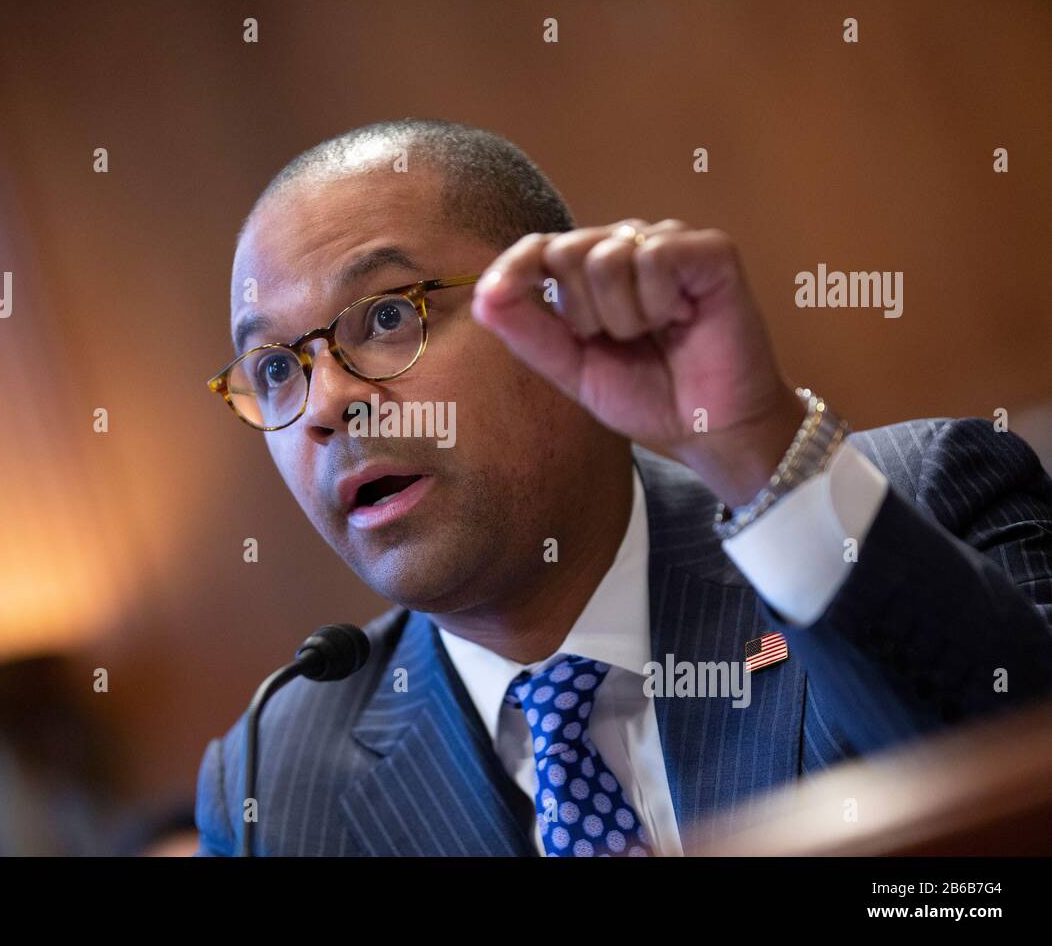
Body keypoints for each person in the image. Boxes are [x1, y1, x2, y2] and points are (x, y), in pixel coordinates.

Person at [194, 118, 1052, 856]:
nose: (327, 403)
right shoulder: (276, 777)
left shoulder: (917, 507)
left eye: (387, 317)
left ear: (559, 304)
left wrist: (763, 460)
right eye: (275, 367)